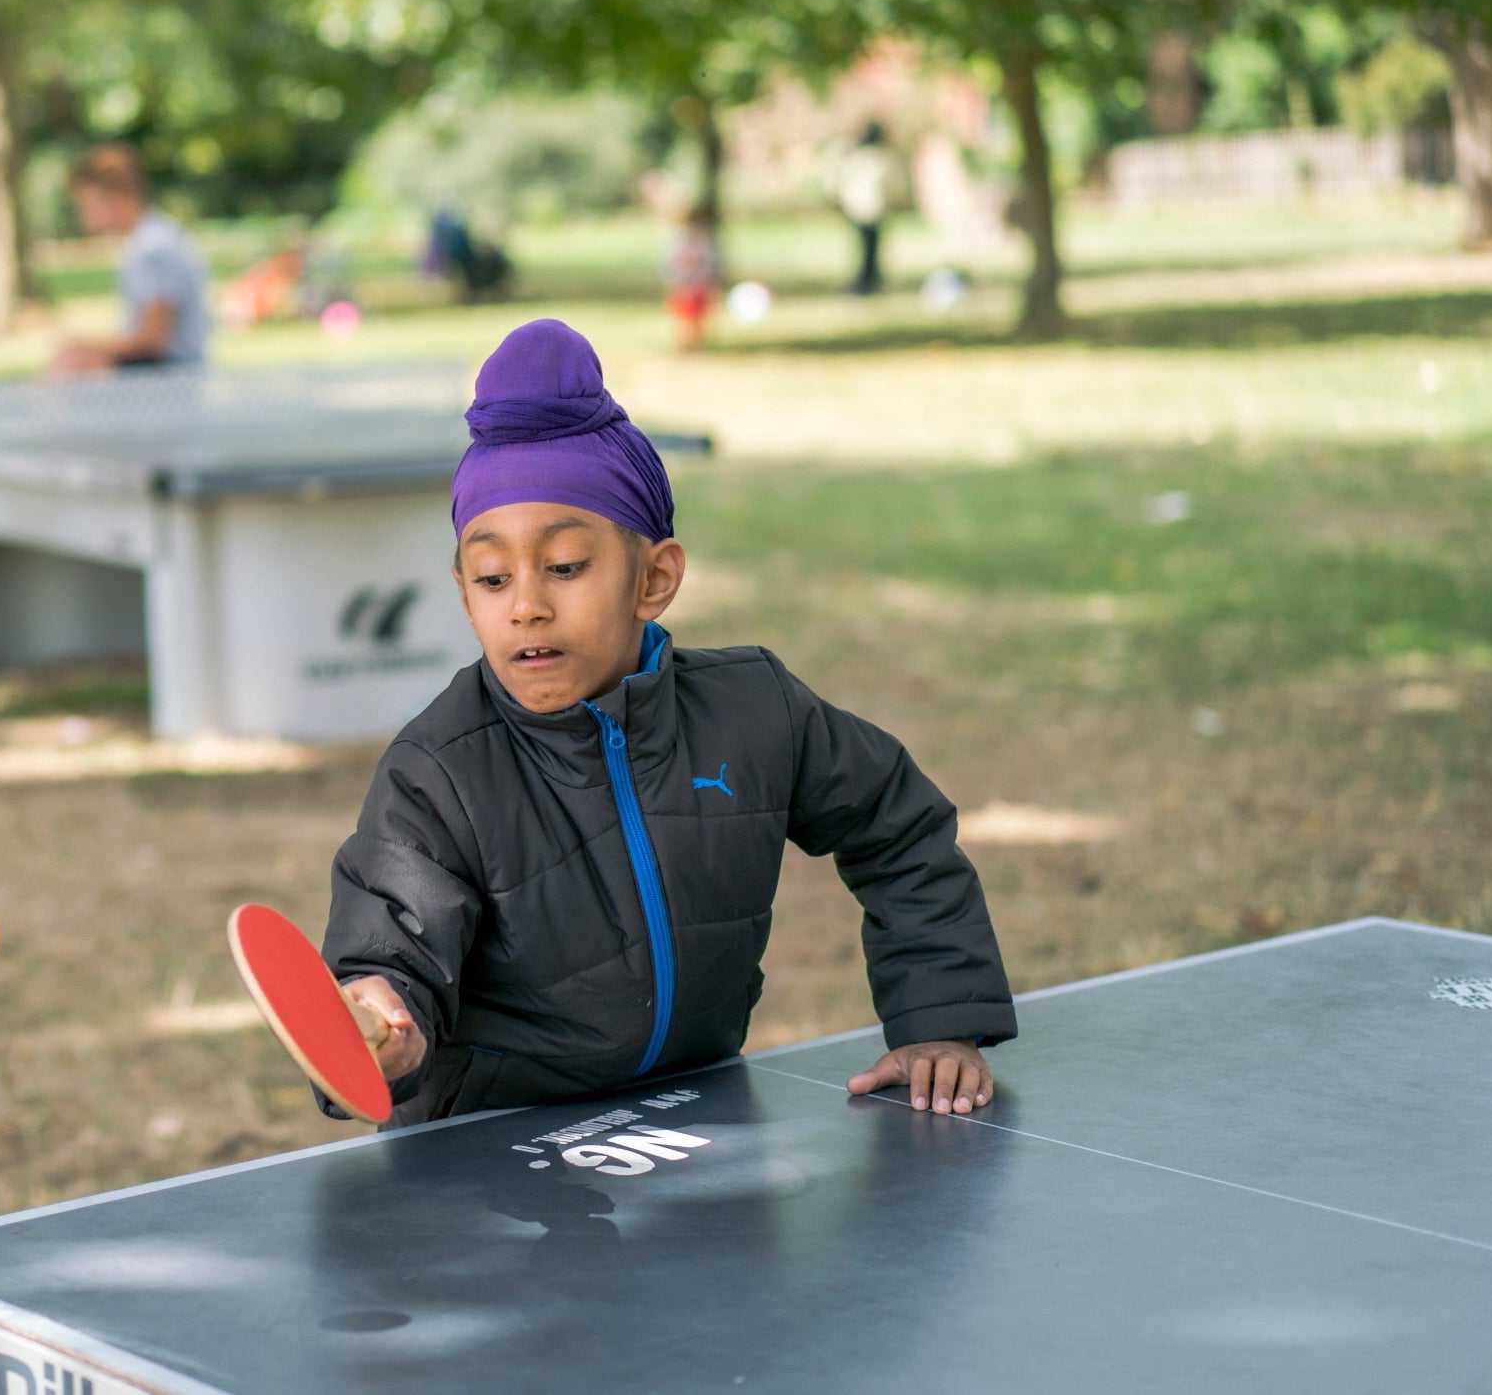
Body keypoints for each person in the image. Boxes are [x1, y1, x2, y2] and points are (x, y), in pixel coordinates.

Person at [322, 318, 1015, 1128]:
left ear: (655, 578)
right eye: (491, 575)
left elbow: (897, 827)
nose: (526, 605)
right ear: (463, 588)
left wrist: (939, 1018)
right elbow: (387, 962)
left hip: (688, 1116)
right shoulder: (437, 770)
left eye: (566, 566)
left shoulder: (756, 710)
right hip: (487, 1152)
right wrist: (381, 1029)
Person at [51, 145, 210, 372]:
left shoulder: (153, 248)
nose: (84, 214)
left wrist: (89, 345)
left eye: (88, 203)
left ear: (119, 197)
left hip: (173, 376)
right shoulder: (147, 240)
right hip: (161, 368)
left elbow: (152, 340)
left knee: (73, 362)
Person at [836, 122, 896, 297]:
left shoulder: (857, 157)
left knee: (867, 248)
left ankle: (869, 280)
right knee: (870, 248)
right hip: (871, 210)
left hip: (859, 209)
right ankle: (866, 281)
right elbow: (890, 184)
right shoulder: (880, 158)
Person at [661, 201, 722, 351]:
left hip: (699, 283)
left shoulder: (704, 239)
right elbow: (670, 260)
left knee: (697, 316)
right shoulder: (679, 238)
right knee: (682, 315)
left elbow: (710, 261)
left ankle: (696, 343)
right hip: (683, 283)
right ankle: (684, 343)